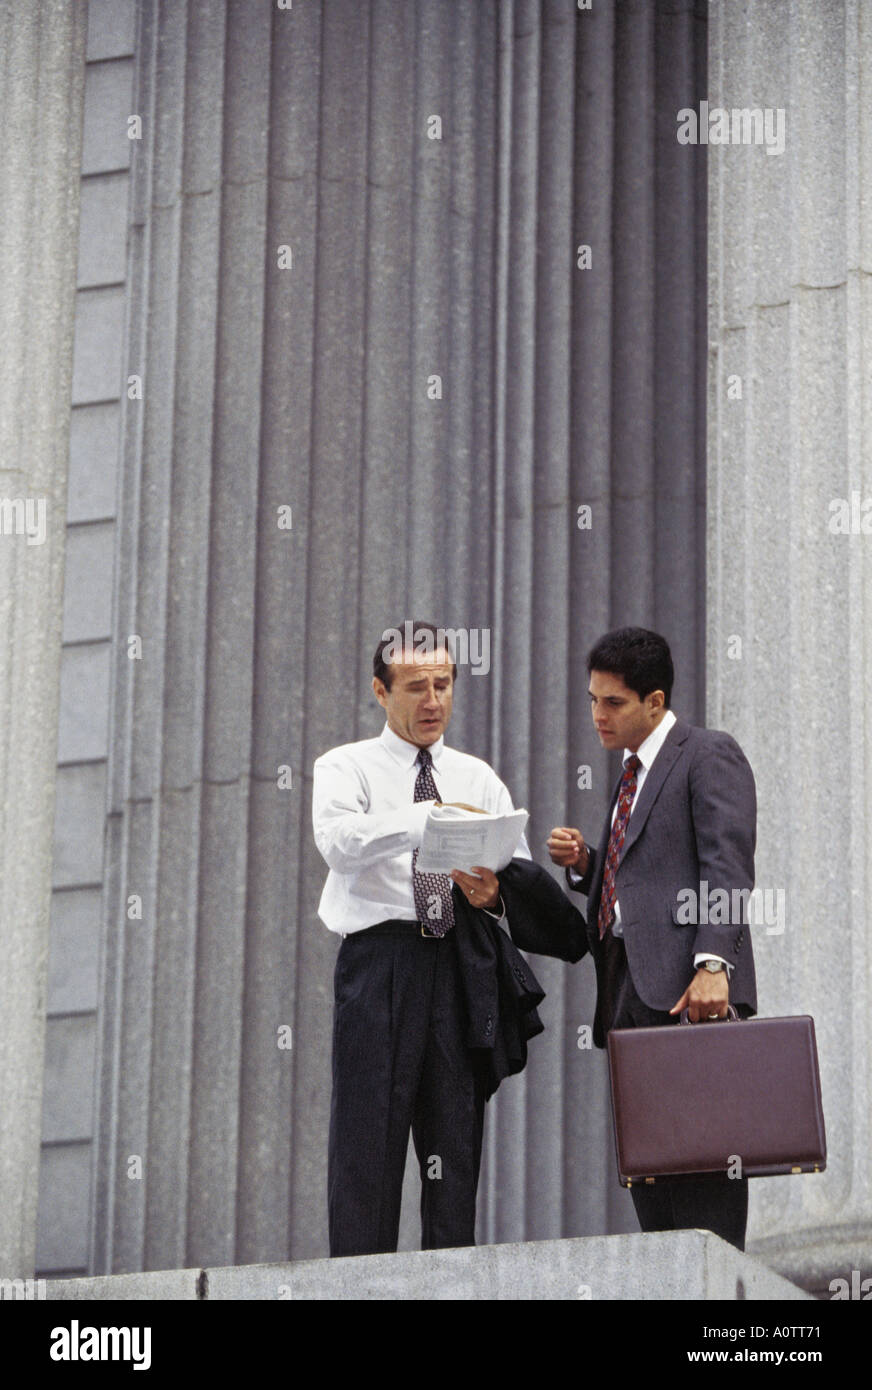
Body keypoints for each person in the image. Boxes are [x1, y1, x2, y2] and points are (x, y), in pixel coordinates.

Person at [313, 621, 585, 1257]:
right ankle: (359, 1284)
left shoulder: (476, 776)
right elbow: (339, 844)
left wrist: (495, 895)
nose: (433, 701)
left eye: (443, 685)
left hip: (459, 959)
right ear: (381, 692)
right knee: (366, 1142)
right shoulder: (346, 766)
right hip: (380, 962)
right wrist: (423, 822)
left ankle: (451, 1281)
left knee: (454, 1146)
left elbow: (512, 863)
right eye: (416, 687)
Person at [548, 626, 757, 1250]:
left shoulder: (707, 753)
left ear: (655, 701)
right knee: (651, 1179)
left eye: (613, 702)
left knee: (704, 1176)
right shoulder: (630, 773)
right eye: (593, 700)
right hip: (626, 992)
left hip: (690, 994)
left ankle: (718, 1305)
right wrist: (587, 865)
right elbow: (642, 873)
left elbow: (727, 864)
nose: (598, 715)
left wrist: (714, 963)